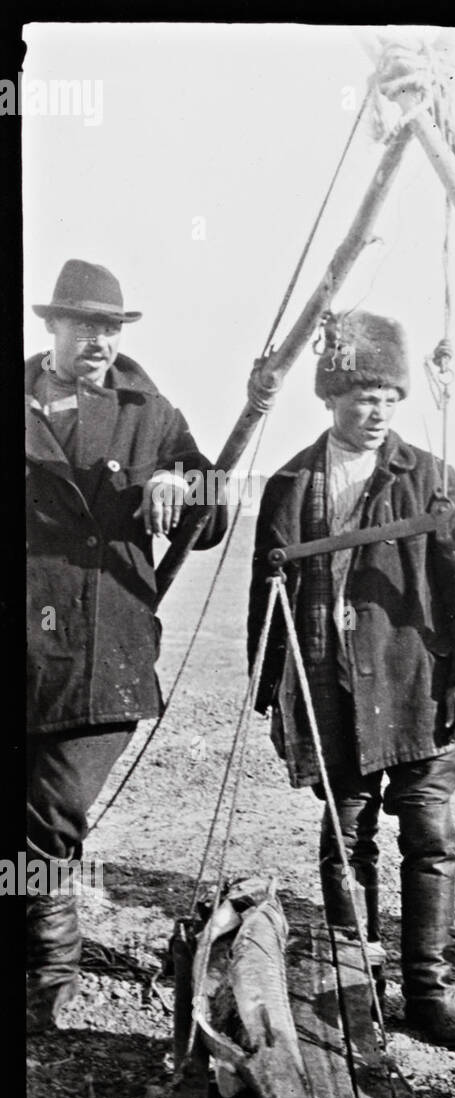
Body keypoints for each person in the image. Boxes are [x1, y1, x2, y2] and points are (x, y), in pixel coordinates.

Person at [248, 311, 455, 1050]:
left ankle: (428, 990)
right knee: (345, 836)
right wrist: (271, 691)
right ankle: (358, 990)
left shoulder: (430, 478)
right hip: (329, 688)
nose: (376, 408)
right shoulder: (293, 483)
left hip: (415, 682)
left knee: (429, 833)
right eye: (361, 394)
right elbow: (267, 596)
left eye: (388, 393)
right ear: (331, 399)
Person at [26, 258, 229, 1033]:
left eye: (110, 328)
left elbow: (214, 506)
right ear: (54, 328)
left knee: (55, 808)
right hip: (26, 649)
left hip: (106, 650)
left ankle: (52, 968)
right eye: (85, 326)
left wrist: (182, 492)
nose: (99, 341)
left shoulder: (148, 412)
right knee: (26, 815)